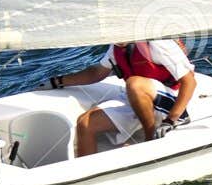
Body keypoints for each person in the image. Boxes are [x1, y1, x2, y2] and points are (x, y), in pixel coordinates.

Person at [47, 39, 197, 156]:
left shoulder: (157, 43)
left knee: (134, 83)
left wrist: (171, 119)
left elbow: (190, 81)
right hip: (139, 96)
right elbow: (96, 73)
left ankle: (150, 140)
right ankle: (86, 176)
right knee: (85, 122)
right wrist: (56, 81)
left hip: (171, 100)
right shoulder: (117, 47)